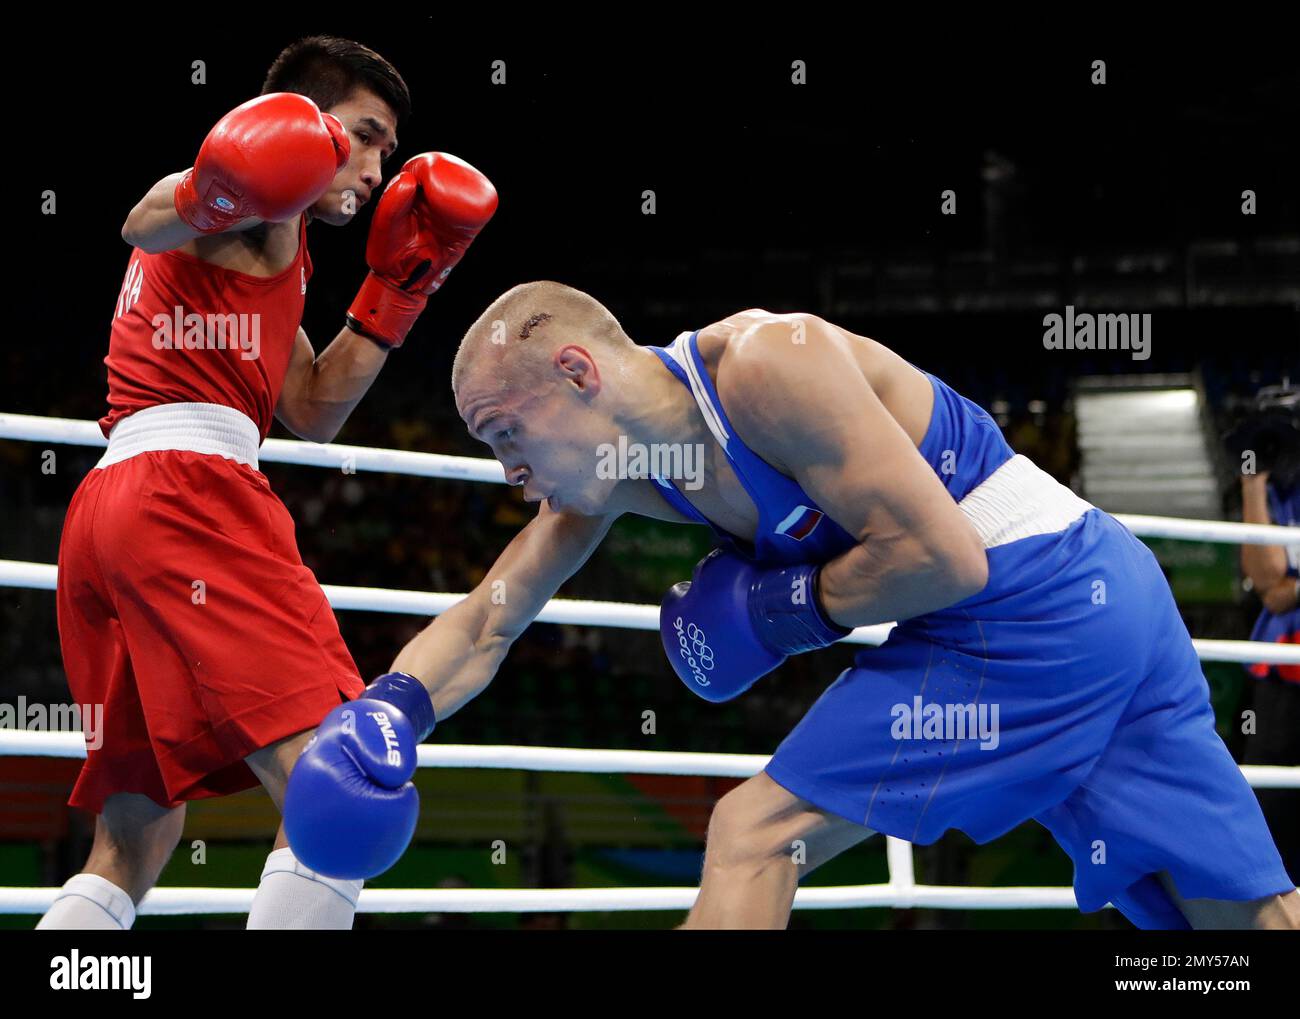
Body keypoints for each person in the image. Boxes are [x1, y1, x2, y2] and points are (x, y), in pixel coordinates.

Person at [285, 281, 1298, 929]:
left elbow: (945, 560)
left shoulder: (770, 363)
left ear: (579, 370)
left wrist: (776, 610)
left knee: (752, 832)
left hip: (1029, 599)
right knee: (1234, 916)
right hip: (1100, 588)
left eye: (504, 429)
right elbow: (491, 612)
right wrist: (395, 707)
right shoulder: (631, 473)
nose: (508, 470)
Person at [41, 35, 496, 931]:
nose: (376, 169)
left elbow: (312, 406)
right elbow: (142, 218)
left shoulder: (275, 238)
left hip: (109, 516)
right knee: (342, 781)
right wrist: (227, 183)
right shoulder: (243, 195)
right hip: (189, 496)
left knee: (132, 837)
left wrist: (398, 289)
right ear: (304, 121)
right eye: (366, 136)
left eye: (389, 153)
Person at [1234, 384, 1300, 889]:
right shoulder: (1275, 494)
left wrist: (1291, 585)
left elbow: (1285, 585)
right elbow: (1267, 582)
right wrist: (1252, 481)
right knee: (1270, 816)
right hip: (1280, 678)